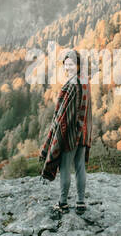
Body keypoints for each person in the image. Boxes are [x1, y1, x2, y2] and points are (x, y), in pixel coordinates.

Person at [39, 48, 92, 214]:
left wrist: (56, 136)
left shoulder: (71, 86)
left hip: (69, 135)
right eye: (66, 64)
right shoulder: (85, 82)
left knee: (65, 168)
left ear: (78, 65)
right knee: (80, 167)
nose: (68, 67)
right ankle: (81, 202)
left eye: (71, 64)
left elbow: (62, 116)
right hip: (83, 132)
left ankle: (62, 203)